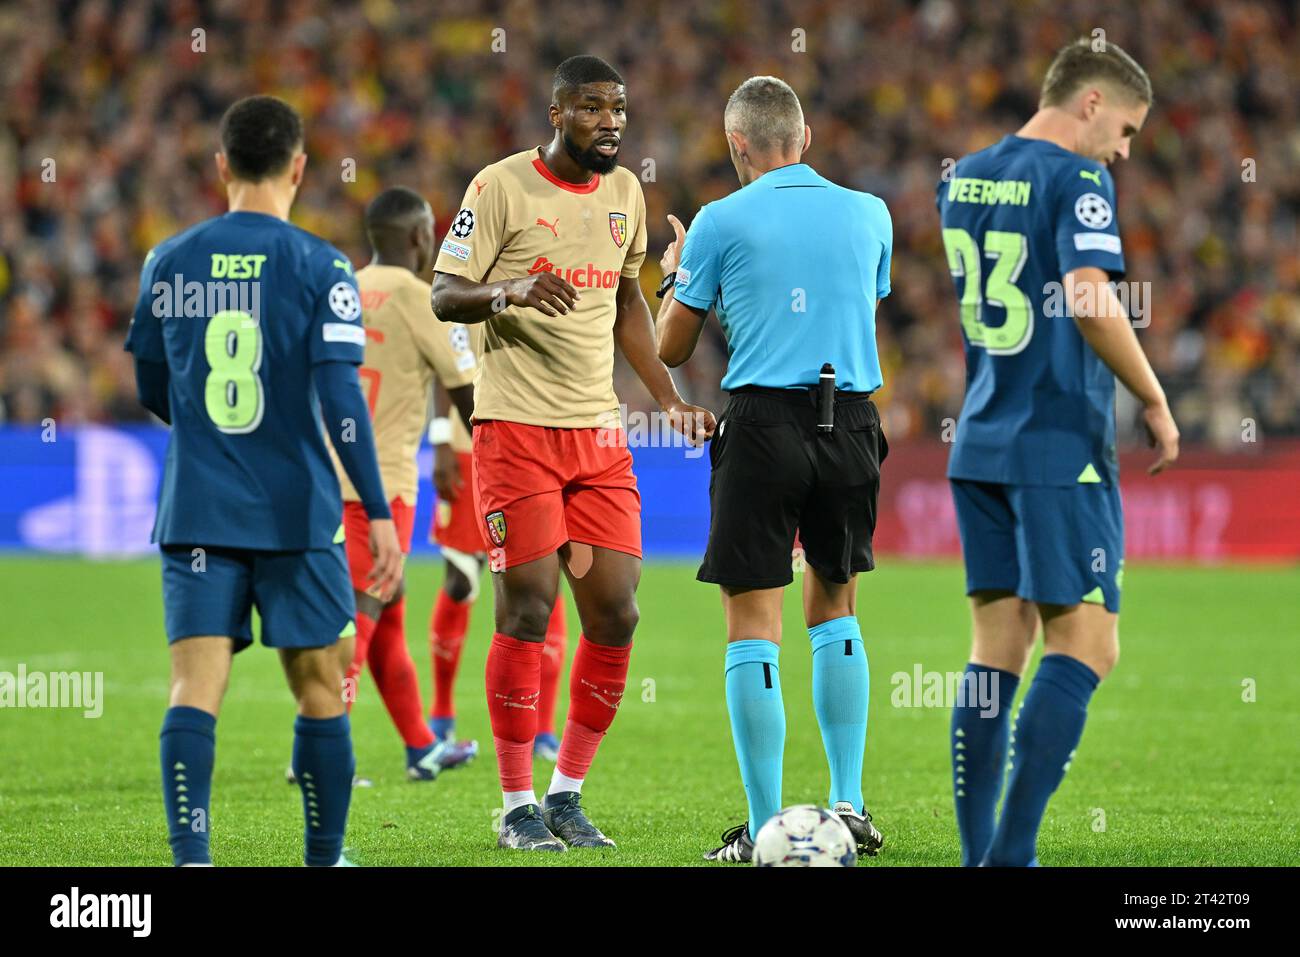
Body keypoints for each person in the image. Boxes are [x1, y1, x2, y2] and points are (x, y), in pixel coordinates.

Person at [430, 54, 715, 852]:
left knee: (618, 612)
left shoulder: (626, 193)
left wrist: (668, 399)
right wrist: (506, 292)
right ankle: (516, 803)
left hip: (598, 436)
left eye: (619, 108)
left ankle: (567, 793)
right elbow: (443, 292)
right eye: (593, 108)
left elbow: (626, 301)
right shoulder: (499, 188)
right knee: (527, 607)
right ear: (556, 113)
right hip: (515, 430)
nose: (612, 122)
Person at [125, 95, 402, 866]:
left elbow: (154, 384)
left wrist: (209, 434)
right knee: (320, 683)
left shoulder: (168, 260)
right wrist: (376, 509)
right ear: (300, 167)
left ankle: (192, 858)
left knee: (194, 687)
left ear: (222, 166)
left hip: (198, 508)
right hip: (296, 513)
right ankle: (322, 857)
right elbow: (343, 400)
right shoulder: (320, 266)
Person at [936, 38, 1179, 866]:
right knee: (1087, 645)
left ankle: (981, 857)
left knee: (994, 651)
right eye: (1127, 130)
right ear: (1091, 102)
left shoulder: (960, 174)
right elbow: (1086, 294)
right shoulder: (1079, 177)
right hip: (1057, 442)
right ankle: (1011, 856)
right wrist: (1150, 393)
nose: (1122, 150)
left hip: (979, 437)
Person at [655, 76, 890, 863]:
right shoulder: (871, 213)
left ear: (737, 147)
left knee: (754, 625)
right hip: (852, 418)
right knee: (838, 608)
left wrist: (677, 272)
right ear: (805, 138)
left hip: (761, 424)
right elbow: (855, 301)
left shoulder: (720, 221)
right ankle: (850, 803)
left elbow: (671, 347)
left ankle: (764, 830)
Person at [330, 186, 481, 780]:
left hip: (328, 477)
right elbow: (466, 395)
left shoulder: (340, 292)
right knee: (361, 615)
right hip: (382, 485)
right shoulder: (422, 299)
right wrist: (497, 462)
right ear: (420, 238)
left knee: (387, 612)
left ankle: (421, 744)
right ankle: (319, 747)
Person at [427, 372, 570, 762]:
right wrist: (440, 439)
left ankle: (543, 728)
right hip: (467, 445)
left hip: (538, 447)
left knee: (543, 577)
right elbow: (446, 363)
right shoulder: (466, 309)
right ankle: (441, 714)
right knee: (459, 583)